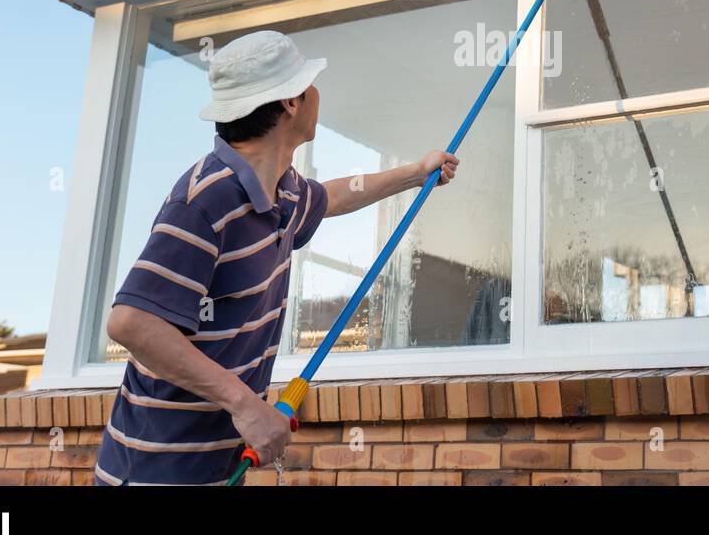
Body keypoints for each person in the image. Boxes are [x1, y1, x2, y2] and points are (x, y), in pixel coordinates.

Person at [93, 30, 458, 485]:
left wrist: (413, 173)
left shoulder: (282, 189)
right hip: (156, 469)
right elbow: (131, 323)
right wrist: (246, 405)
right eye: (310, 84)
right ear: (291, 102)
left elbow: (333, 196)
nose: (317, 94)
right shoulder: (207, 201)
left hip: (214, 465)